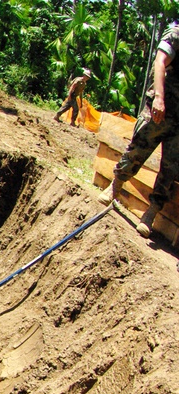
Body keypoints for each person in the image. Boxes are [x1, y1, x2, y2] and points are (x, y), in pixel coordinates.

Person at [99, 24, 179, 239]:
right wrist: (159, 98)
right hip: (161, 110)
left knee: (171, 169)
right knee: (138, 149)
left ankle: (150, 215)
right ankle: (115, 187)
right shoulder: (176, 33)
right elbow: (160, 62)